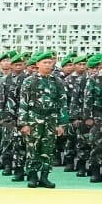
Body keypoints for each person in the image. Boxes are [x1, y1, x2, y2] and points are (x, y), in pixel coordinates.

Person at [18, 51, 68, 189]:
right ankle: (33, 176)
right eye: (44, 63)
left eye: (49, 62)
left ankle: (45, 177)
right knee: (32, 148)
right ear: (37, 64)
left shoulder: (57, 81)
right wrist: (23, 123)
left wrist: (62, 124)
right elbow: (23, 103)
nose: (47, 65)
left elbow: (63, 103)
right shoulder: (29, 81)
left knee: (48, 148)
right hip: (34, 118)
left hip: (51, 119)